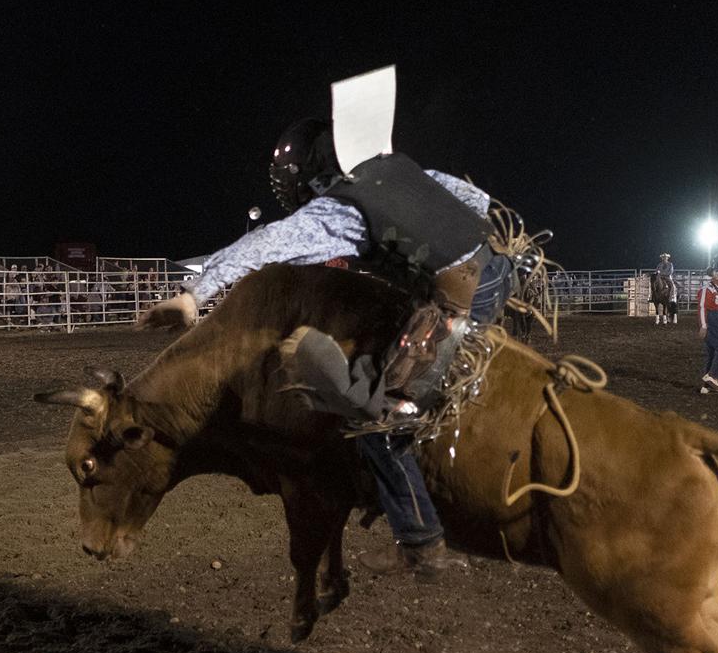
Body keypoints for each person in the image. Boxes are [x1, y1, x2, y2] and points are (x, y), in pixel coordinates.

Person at [141, 117, 527, 576]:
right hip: (501, 270)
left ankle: (420, 542)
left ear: (306, 175)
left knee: (382, 419)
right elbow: (477, 201)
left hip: (458, 299)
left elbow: (268, 244)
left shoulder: (339, 207)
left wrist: (194, 295)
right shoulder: (398, 169)